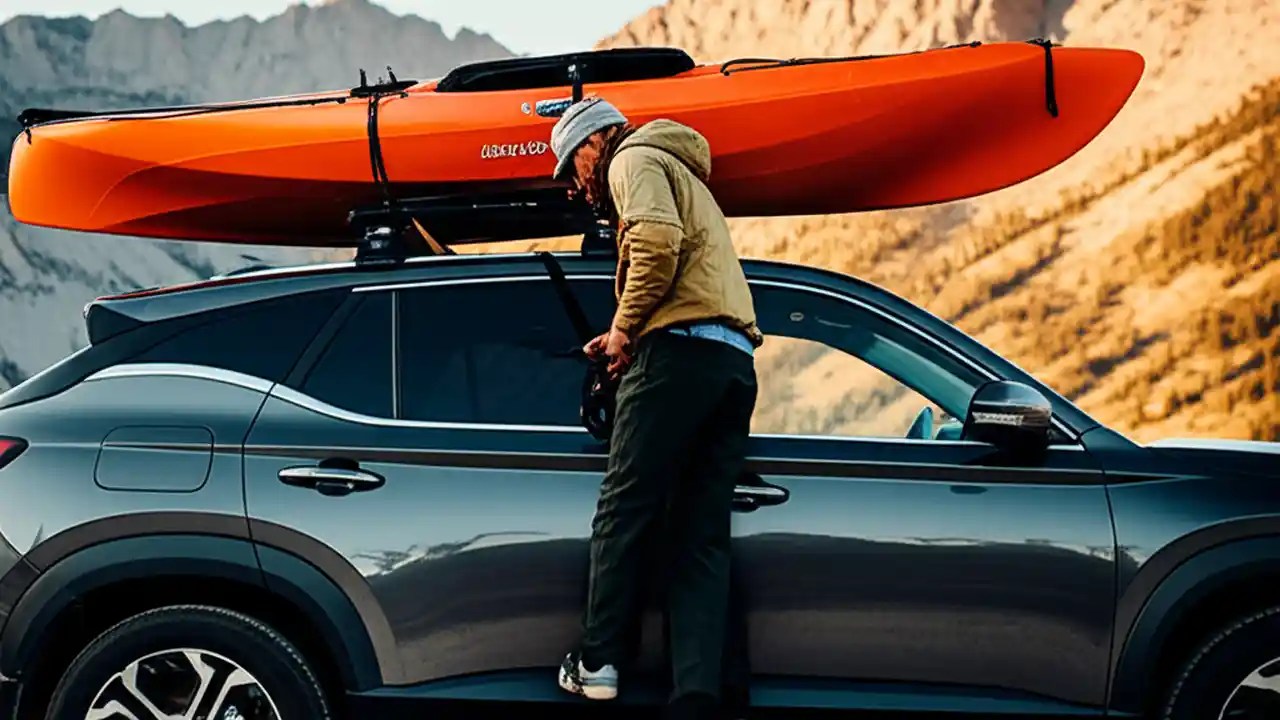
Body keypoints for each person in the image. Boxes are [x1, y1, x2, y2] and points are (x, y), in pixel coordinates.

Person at [548, 96, 761, 720]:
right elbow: (684, 265)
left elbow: (658, 244)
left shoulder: (631, 158)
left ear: (593, 142)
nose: (574, 184)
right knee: (700, 533)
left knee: (625, 506)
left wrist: (622, 332)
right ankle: (696, 695)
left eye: (571, 167)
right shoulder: (681, 172)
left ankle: (596, 662)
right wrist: (628, 334)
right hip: (730, 363)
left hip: (678, 358)